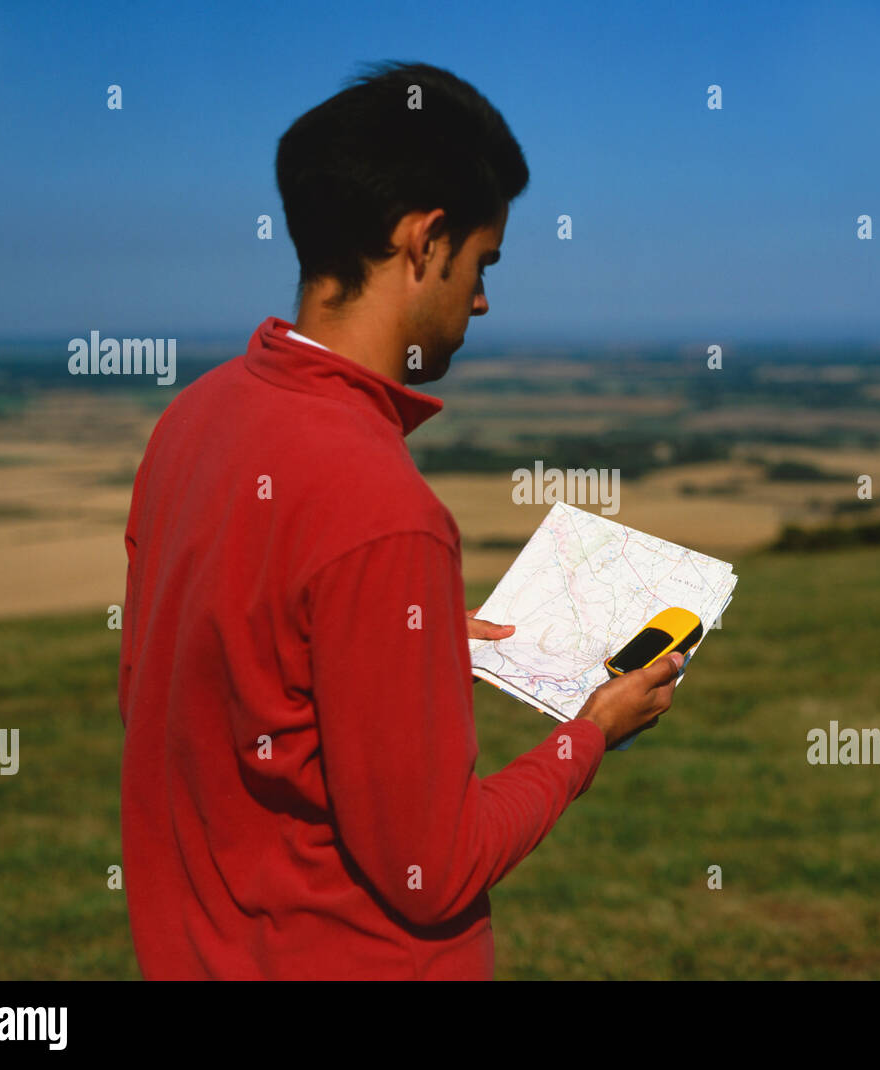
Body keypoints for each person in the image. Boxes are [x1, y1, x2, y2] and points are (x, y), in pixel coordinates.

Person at [117, 60, 684, 981]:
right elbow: (436, 869)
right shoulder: (384, 510)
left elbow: (178, 697)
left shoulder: (192, 423)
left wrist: (375, 646)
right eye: (482, 263)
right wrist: (591, 733)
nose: (483, 300)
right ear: (425, 241)